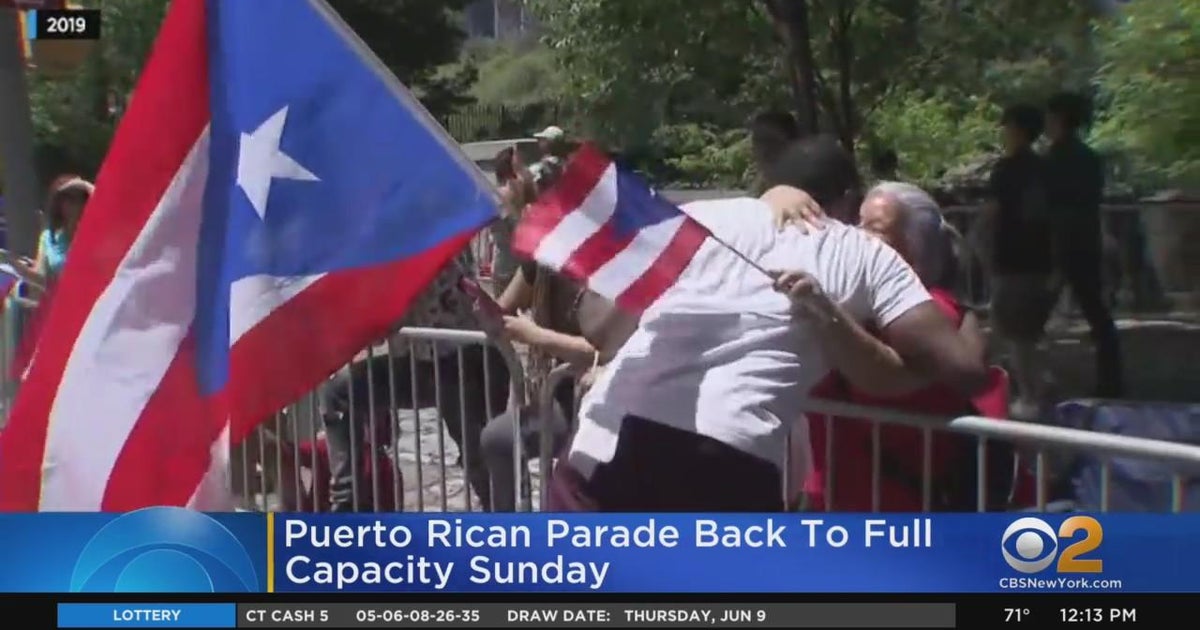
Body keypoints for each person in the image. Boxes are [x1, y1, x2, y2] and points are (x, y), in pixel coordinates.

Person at [545, 135, 990, 512]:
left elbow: (599, 327)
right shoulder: (866, 255)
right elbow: (965, 370)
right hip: (724, 460)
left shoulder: (695, 218)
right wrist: (962, 317)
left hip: (597, 445)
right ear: (848, 200)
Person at [800, 182, 1029, 511]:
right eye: (858, 223)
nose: (857, 236)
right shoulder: (865, 305)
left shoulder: (929, 313)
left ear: (916, 246)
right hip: (843, 498)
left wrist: (824, 310)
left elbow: (877, 377)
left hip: (890, 508)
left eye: (874, 228)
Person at [319, 248, 510, 512]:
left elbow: (384, 322)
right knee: (340, 393)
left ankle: (506, 522)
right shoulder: (402, 243)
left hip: (468, 358)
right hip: (426, 362)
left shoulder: (417, 244)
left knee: (479, 455)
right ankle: (347, 506)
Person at [1043, 92, 1123, 397]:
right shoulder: (1088, 157)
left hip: (1062, 241)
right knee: (1096, 312)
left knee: (1034, 316)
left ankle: (1036, 378)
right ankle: (1111, 378)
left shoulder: (1056, 158)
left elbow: (1050, 204)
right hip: (1086, 239)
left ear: (1059, 119)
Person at [985, 105, 1057, 413]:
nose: (1005, 132)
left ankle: (1030, 396)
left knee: (1016, 333)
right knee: (1031, 328)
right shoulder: (1046, 168)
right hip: (1042, 258)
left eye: (1008, 126)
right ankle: (1041, 382)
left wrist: (980, 246)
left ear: (1018, 130)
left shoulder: (1006, 170)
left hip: (1012, 258)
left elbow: (993, 213)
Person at [748, 111, 801, 195]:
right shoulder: (762, 181)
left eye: (771, 142)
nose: (764, 149)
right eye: (758, 141)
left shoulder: (801, 184)